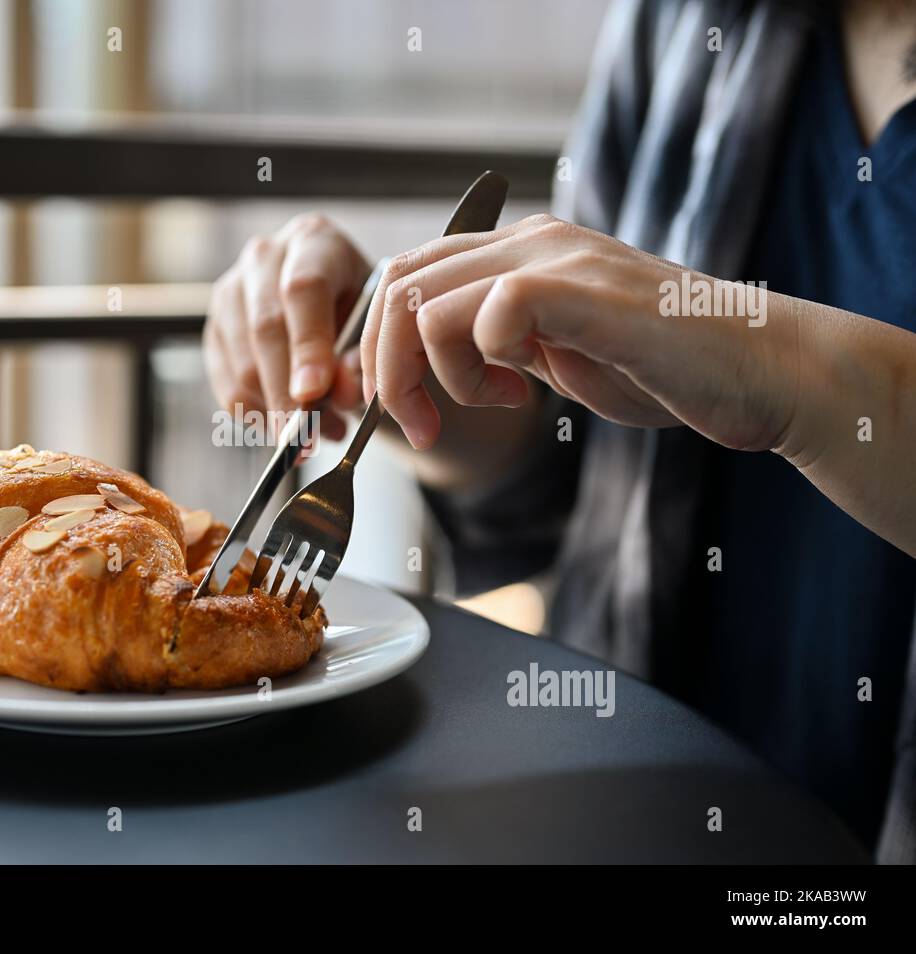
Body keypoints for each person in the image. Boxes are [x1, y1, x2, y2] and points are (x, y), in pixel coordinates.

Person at [202, 0, 916, 862]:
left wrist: (777, 365)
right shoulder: (684, 22)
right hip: (631, 815)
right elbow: (576, 482)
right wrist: (399, 359)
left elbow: (721, 352)